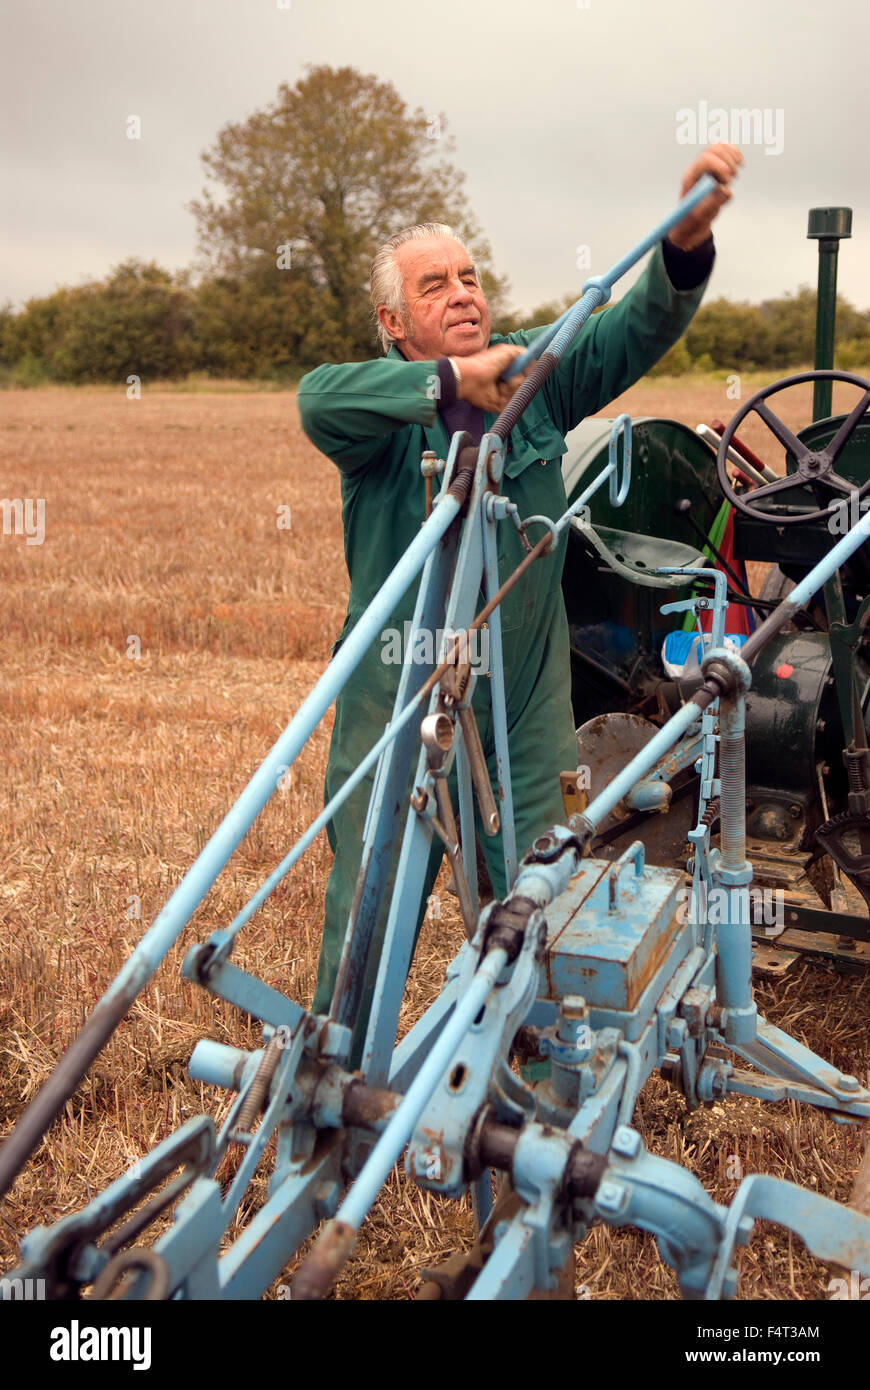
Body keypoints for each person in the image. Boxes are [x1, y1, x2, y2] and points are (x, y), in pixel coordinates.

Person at [298, 143, 742, 1037]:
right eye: (435, 285)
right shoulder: (378, 427)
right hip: (401, 689)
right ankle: (338, 1085)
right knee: (372, 906)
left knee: (537, 888)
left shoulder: (536, 384)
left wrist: (684, 243)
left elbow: (635, 329)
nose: (462, 292)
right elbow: (316, 399)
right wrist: (448, 384)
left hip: (527, 689)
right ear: (394, 322)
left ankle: (533, 1079)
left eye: (469, 276)